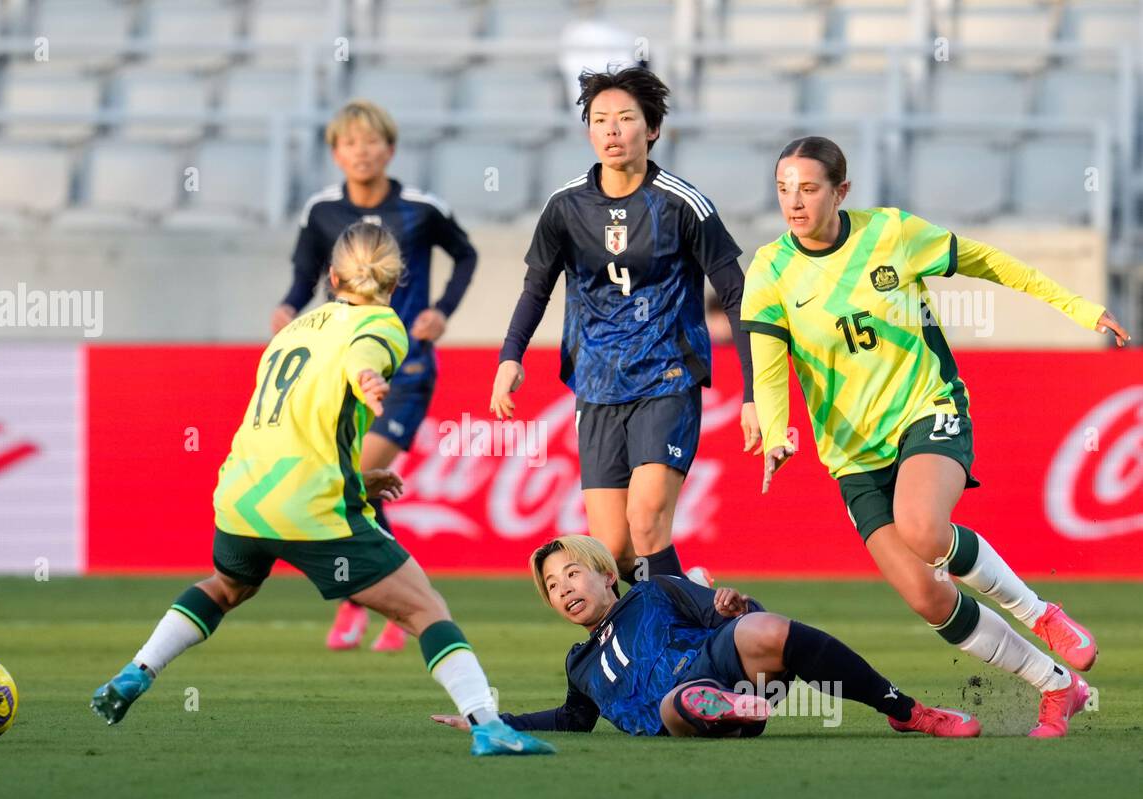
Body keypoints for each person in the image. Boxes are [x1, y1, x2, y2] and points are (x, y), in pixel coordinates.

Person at [92, 222, 552, 758]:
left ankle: (136, 670)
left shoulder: (294, 331)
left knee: (226, 586)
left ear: (332, 277)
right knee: (425, 610)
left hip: (240, 499)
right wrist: (370, 382)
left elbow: (295, 426)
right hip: (309, 508)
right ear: (398, 280)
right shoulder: (384, 324)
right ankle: (488, 726)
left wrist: (356, 477)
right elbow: (363, 356)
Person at [742, 135, 1131, 738]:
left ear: (842, 192)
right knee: (926, 597)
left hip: (928, 409)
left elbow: (992, 263)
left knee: (924, 529)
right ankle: (1058, 685)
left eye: (809, 188)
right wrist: (774, 433)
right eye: (784, 189)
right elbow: (767, 366)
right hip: (851, 454)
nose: (794, 202)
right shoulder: (769, 268)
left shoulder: (891, 234)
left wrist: (1078, 309)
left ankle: (1043, 615)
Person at [492, 66, 759, 592]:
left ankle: (677, 644)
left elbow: (735, 294)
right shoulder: (565, 207)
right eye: (600, 119)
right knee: (611, 555)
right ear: (588, 130)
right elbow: (536, 288)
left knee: (646, 520)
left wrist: (754, 391)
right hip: (596, 385)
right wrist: (510, 357)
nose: (612, 129)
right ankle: (693, 596)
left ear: (652, 129)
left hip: (667, 380)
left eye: (625, 118)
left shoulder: (683, 203)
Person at [272, 100, 478, 653]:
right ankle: (395, 599)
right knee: (353, 489)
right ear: (335, 152)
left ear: (390, 148)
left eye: (371, 142)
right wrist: (288, 310)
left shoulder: (419, 208)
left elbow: (466, 254)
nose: (360, 152)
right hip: (336, 367)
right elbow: (302, 277)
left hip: (404, 367)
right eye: (349, 143)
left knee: (355, 477)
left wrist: (442, 310)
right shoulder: (320, 212)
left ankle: (366, 598)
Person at [431, 534, 980, 739]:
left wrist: (741, 608)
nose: (564, 589)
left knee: (764, 627)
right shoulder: (578, 664)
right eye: (552, 586)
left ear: (604, 575)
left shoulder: (655, 592)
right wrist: (492, 719)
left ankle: (905, 709)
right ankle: (725, 710)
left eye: (572, 573)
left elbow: (735, 627)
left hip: (713, 665)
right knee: (675, 705)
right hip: (672, 715)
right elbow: (574, 719)